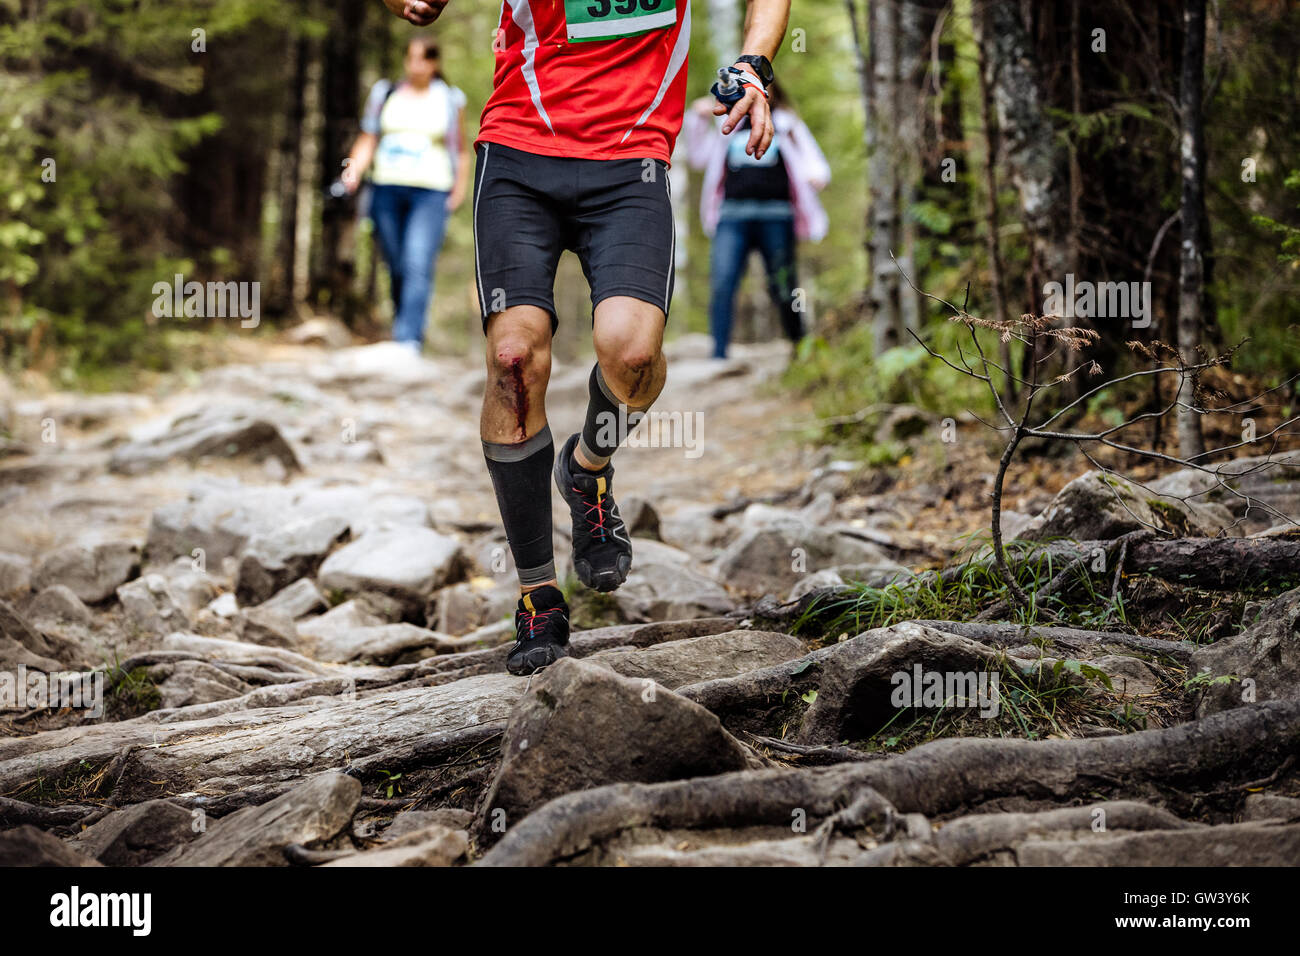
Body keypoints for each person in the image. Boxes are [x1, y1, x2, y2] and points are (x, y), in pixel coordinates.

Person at [384, 0, 791, 674]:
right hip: (520, 151)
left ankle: (588, 471)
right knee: (513, 358)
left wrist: (754, 63)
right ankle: (537, 593)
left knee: (632, 350)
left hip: (631, 159)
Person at [685, 81, 830, 360]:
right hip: (731, 216)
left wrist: (816, 176)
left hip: (777, 215)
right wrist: (698, 120)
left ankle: (800, 348)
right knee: (723, 282)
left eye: (763, 87)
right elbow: (698, 159)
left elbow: (815, 161)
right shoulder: (726, 123)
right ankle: (718, 355)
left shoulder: (787, 124)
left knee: (784, 285)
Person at [344, 35, 469, 352]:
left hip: (431, 191)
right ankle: (405, 323)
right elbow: (369, 137)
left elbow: (461, 150)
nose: (416, 65)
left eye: (423, 58)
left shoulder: (450, 99)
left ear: (434, 63)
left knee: (417, 261)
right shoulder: (386, 93)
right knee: (396, 264)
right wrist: (353, 171)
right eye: (411, 57)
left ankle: (407, 339)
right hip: (385, 187)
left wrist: (459, 189)